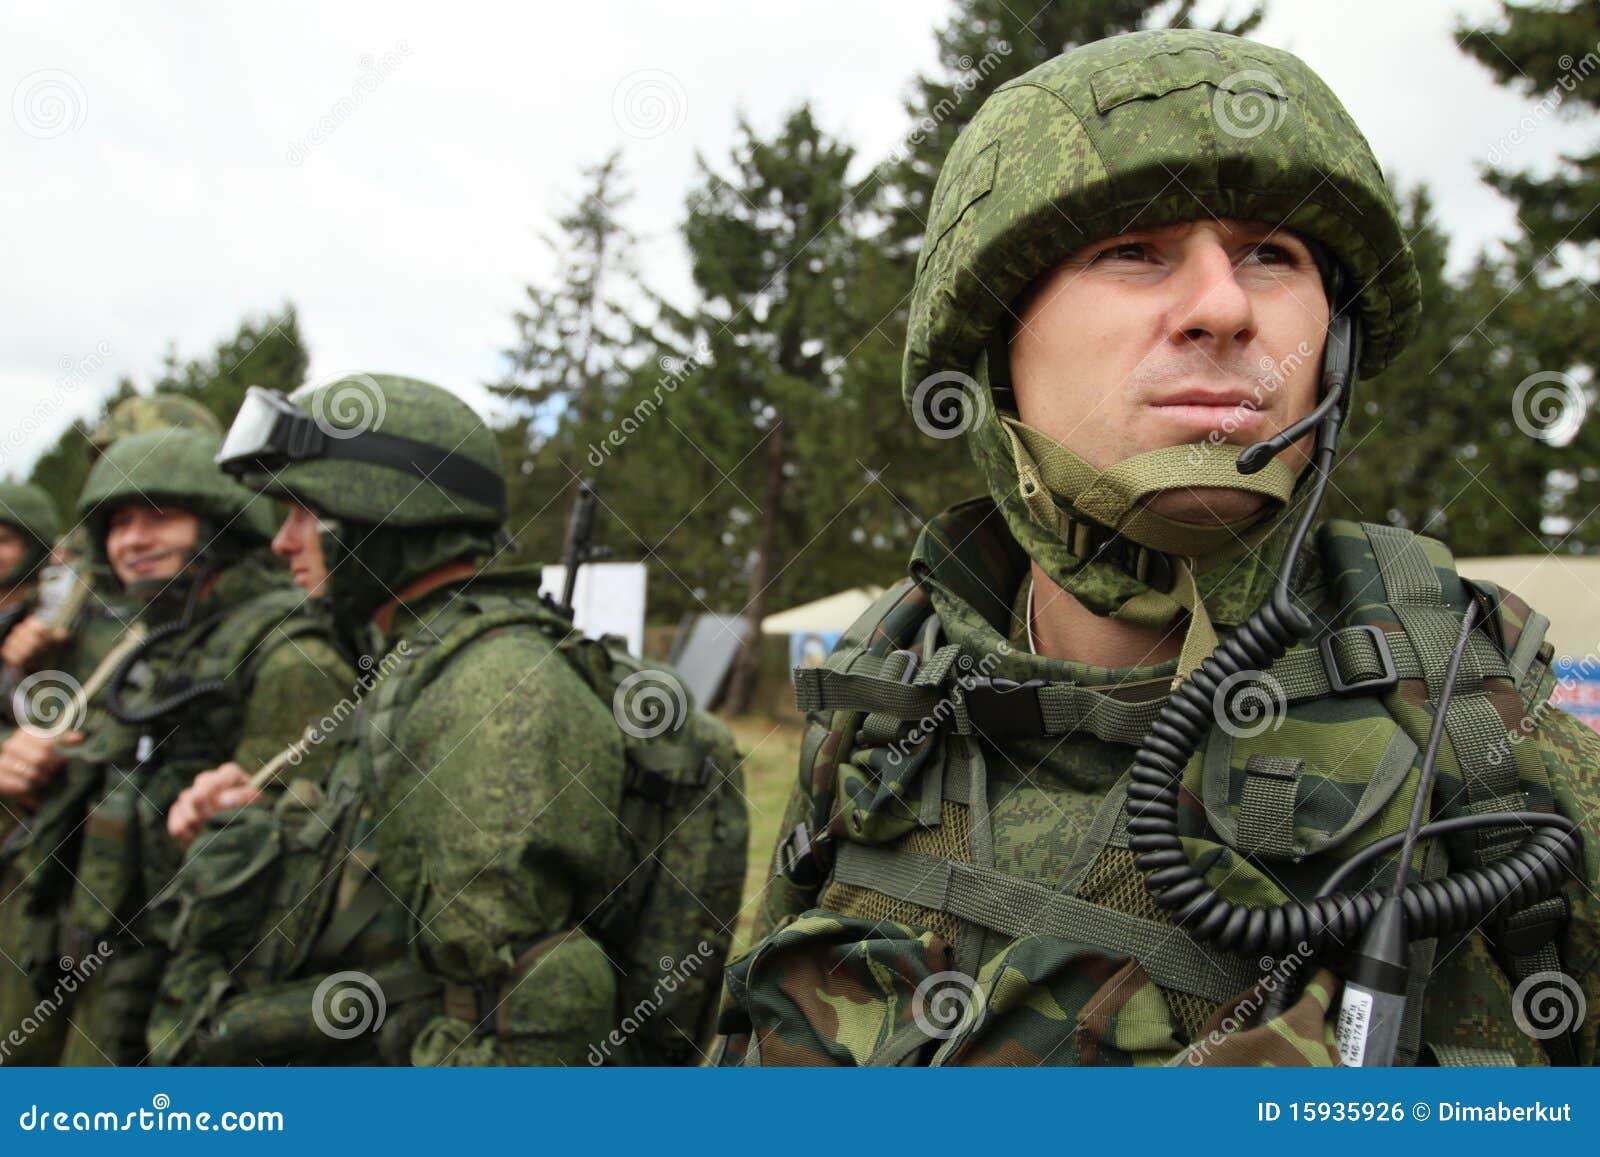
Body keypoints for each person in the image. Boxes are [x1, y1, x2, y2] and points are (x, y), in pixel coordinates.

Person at [716, 28, 1600, 1068]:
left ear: (1338, 345)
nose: (1223, 306)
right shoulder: (880, 700)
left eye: (1272, 254)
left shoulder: (1484, 720)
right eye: (1132, 249)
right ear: (993, 343)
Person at [151, 375, 746, 1066]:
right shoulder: (415, 659)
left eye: (302, 512)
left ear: (379, 509)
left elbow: (521, 1012)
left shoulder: (493, 685)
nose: (283, 542)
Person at [0, 428, 352, 1065]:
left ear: (221, 519)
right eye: (121, 521)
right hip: (92, 957)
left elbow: (293, 865)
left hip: (180, 987)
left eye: (159, 516)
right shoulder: (159, 642)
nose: (133, 540)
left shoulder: (286, 650)